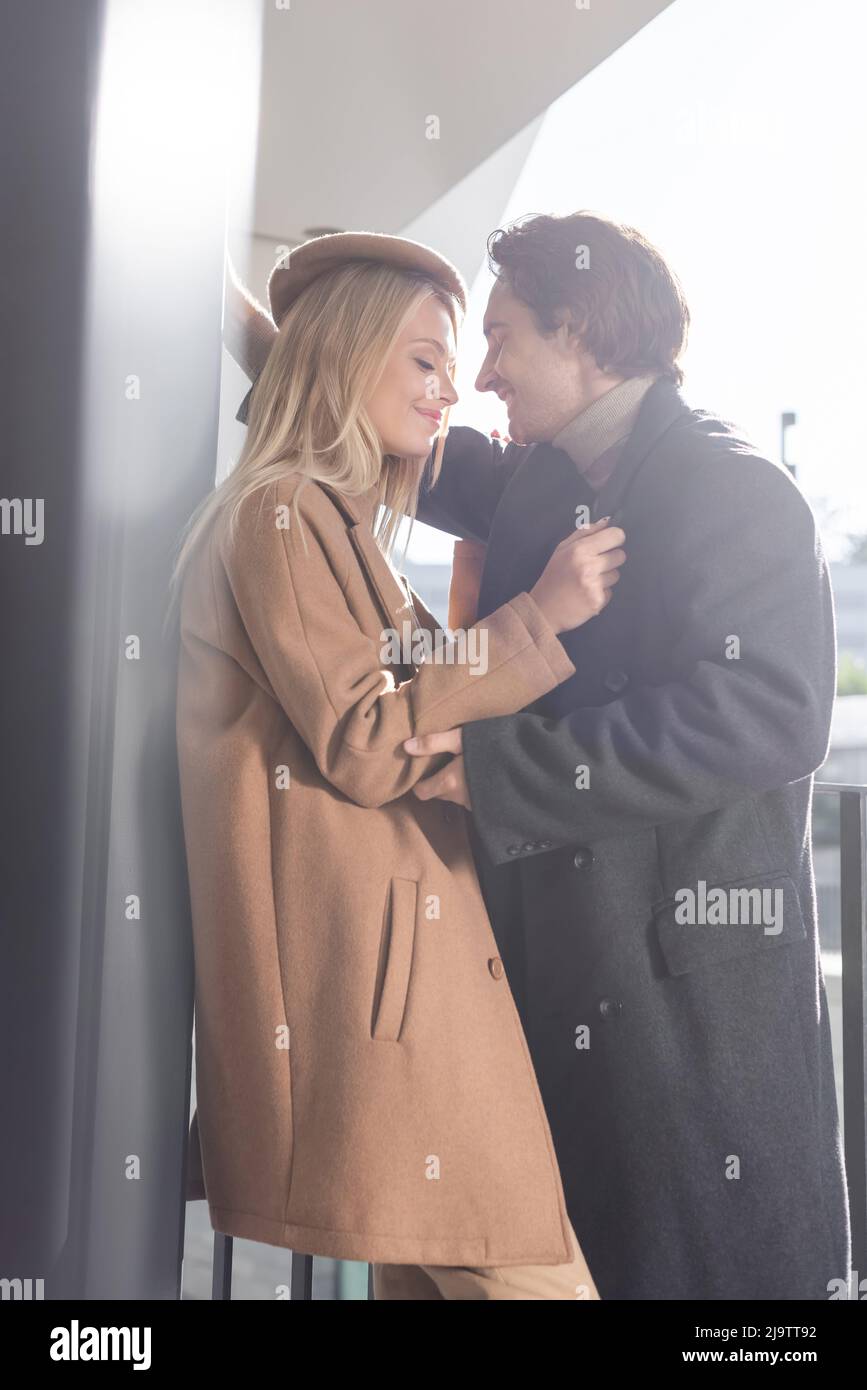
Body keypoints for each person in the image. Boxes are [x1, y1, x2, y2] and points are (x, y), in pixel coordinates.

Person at [227, 213, 851, 1300]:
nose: (480, 374)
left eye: (505, 336)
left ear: (583, 335)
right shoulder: (542, 478)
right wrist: (195, 279)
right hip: (556, 979)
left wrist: (497, 768)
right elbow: (353, 395)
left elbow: (771, 714)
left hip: (680, 1008)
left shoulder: (736, 488)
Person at [171, 231, 628, 1299]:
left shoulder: (324, 520)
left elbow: (417, 671)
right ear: (344, 358)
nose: (451, 391)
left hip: (397, 1001)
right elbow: (371, 741)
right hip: (387, 1016)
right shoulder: (283, 514)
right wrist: (541, 615)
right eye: (426, 361)